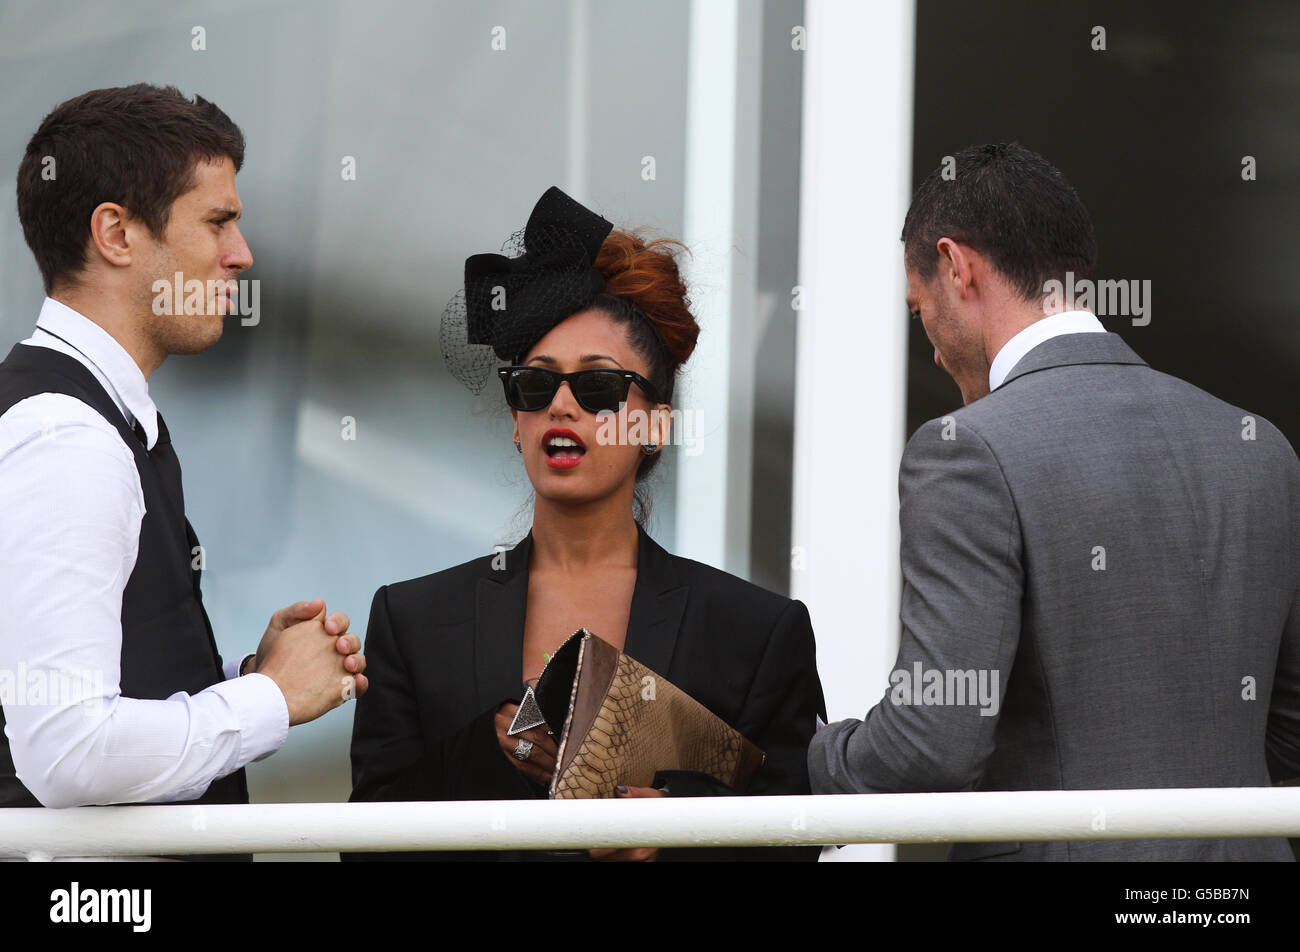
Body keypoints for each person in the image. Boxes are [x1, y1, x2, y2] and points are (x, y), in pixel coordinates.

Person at [807, 142, 1300, 860]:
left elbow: (933, 742)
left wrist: (813, 756)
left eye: (920, 313)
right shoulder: (1260, 446)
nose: (935, 353)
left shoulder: (964, 449)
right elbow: (1289, 727)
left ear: (956, 266)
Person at [346, 187, 825, 861]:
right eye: (535, 386)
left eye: (598, 387)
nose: (562, 406)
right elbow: (364, 846)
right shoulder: (413, 621)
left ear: (656, 423)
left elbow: (799, 840)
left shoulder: (755, 632)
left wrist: (670, 839)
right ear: (517, 421)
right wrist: (489, 761)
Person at [0, 85, 367, 853]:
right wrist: (268, 698)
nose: (242, 253)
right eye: (218, 221)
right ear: (117, 235)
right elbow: (68, 751)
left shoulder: (91, 418)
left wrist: (239, 679)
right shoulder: (68, 437)